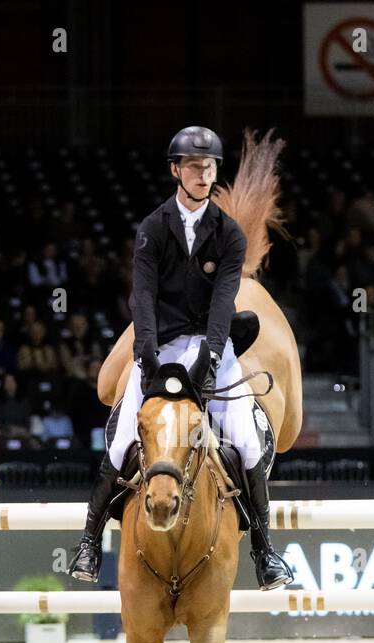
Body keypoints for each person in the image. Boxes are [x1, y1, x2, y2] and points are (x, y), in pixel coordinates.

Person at [68, 125, 292, 590]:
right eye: (194, 167)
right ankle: (89, 543)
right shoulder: (152, 228)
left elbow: (224, 299)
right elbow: (143, 297)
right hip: (161, 344)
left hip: (214, 344)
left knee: (248, 440)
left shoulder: (229, 235)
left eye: (209, 167)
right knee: (118, 439)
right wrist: (147, 355)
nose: (202, 174)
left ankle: (265, 552)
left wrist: (211, 358)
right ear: (176, 171)